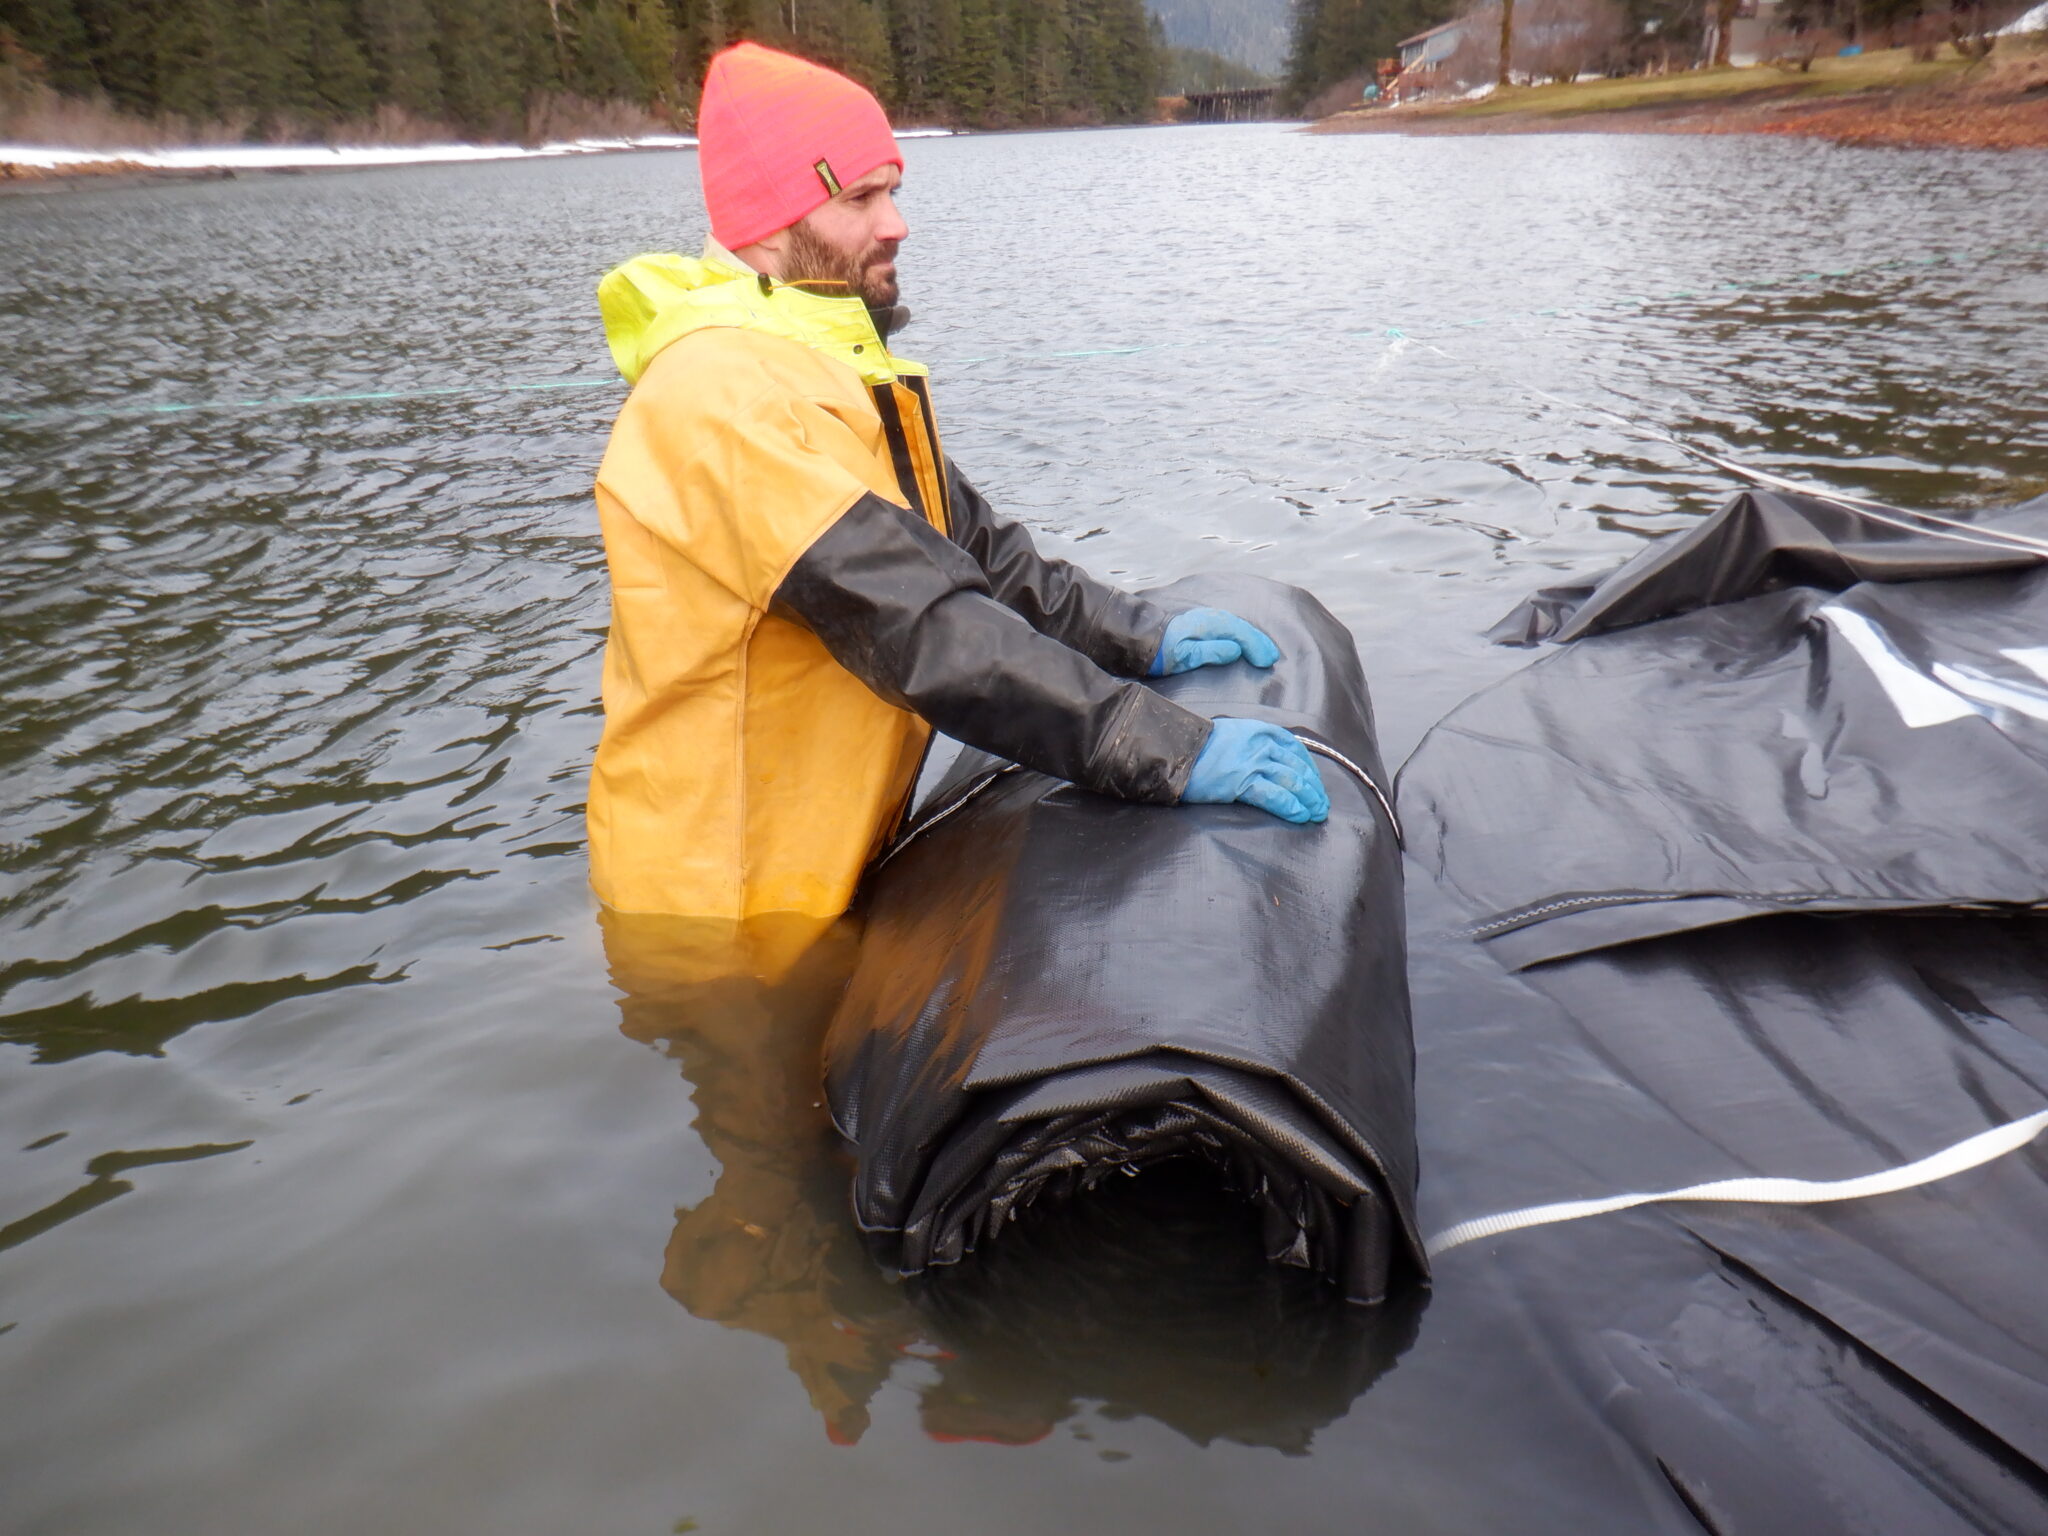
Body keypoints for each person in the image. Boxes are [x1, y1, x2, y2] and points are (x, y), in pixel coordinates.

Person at [589, 41, 1328, 920]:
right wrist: (1158, 745)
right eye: (861, 197)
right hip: (725, 908)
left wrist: (1140, 636)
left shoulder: (821, 370)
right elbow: (917, 622)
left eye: (893, 189)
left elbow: (979, 551)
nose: (896, 221)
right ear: (764, 220)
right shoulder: (717, 400)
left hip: (824, 865)